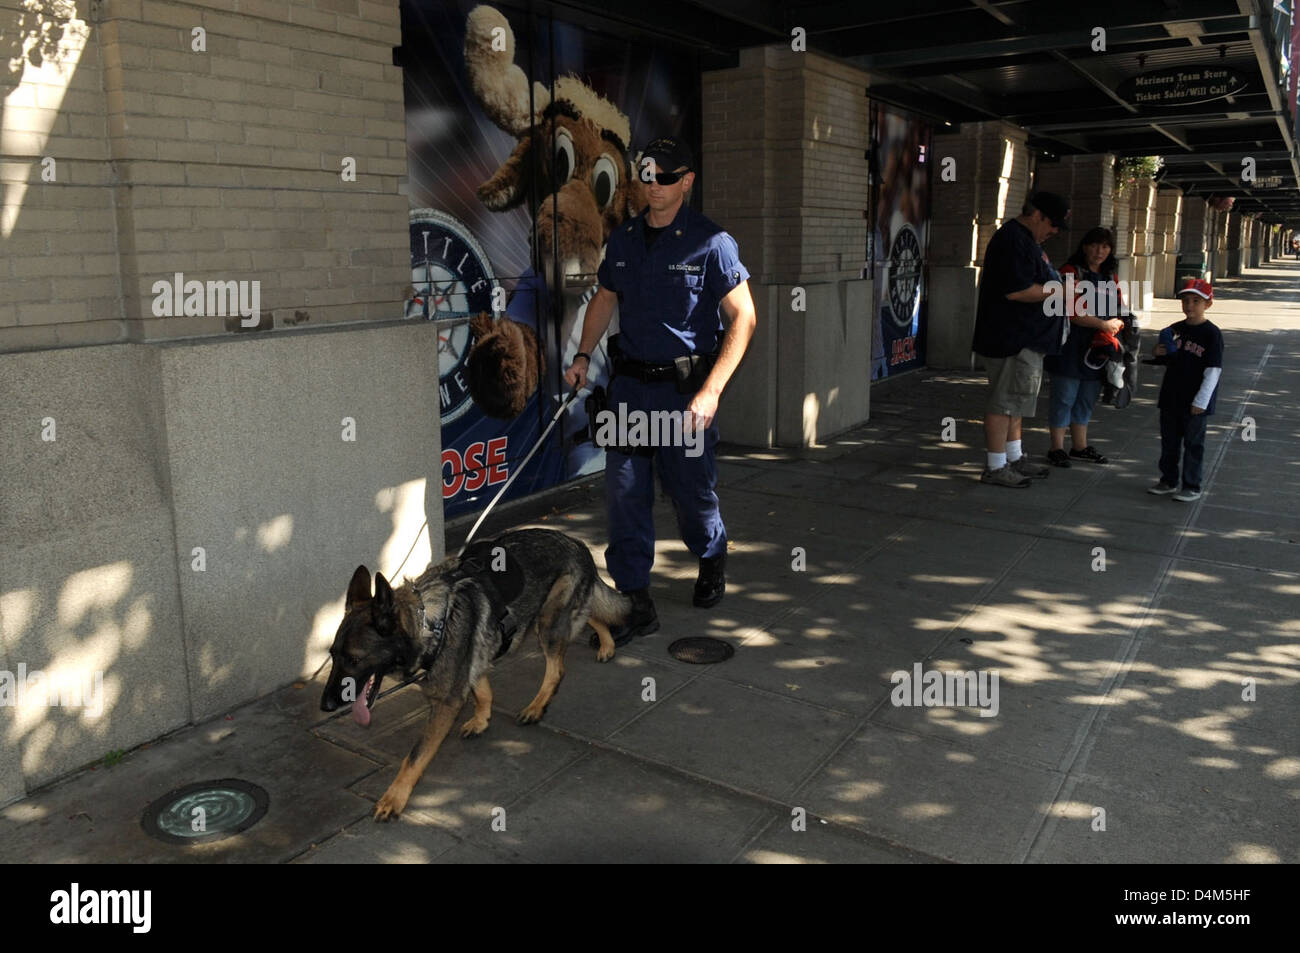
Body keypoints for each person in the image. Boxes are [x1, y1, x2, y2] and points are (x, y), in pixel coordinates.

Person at [563, 136, 757, 645]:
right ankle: (633, 601)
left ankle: (712, 553)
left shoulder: (712, 243)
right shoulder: (624, 239)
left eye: (665, 177)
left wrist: (713, 390)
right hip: (629, 390)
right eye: (646, 176)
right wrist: (584, 355)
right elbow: (605, 297)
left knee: (691, 495)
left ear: (687, 181)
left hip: (685, 395)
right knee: (625, 496)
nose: (654, 186)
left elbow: (744, 317)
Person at [971, 191, 1070, 488]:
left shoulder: (1025, 240)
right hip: (1012, 339)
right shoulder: (1013, 240)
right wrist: (1060, 292)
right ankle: (996, 465)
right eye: (1052, 224)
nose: (1054, 231)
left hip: (1023, 339)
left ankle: (1014, 457)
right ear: (1037, 215)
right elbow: (1017, 290)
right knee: (1004, 403)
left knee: (1016, 402)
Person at [1043, 227, 1127, 467]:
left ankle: (1079, 446)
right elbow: (1069, 310)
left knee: (1086, 398)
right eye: (1094, 245)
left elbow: (1120, 307)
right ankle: (1056, 448)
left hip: (1097, 349)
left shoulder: (1111, 276)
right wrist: (1103, 323)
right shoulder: (1070, 272)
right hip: (1069, 347)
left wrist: (1118, 323)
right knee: (1064, 397)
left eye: (1105, 246)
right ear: (1084, 246)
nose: (1099, 251)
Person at [1147, 278, 1223, 503]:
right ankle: (1168, 480)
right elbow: (1167, 357)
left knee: (1193, 444)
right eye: (1186, 300)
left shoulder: (1212, 334)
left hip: (1195, 401)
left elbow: (1213, 370)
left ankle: (1191, 485)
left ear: (1208, 304)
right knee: (1169, 441)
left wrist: (1202, 400)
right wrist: (1158, 352)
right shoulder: (1175, 329)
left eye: (1196, 301)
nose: (1189, 305)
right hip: (1171, 395)